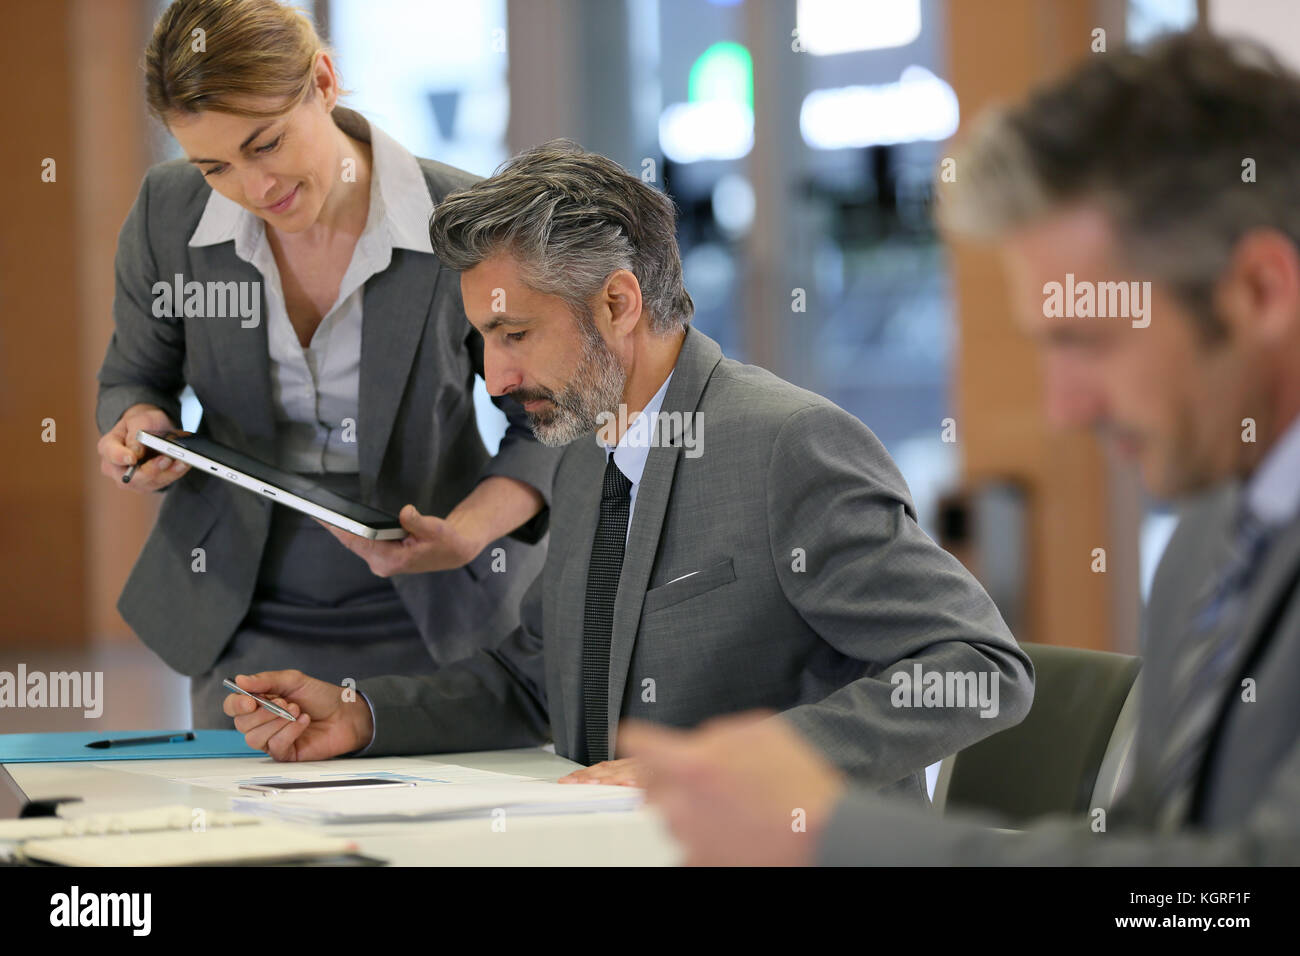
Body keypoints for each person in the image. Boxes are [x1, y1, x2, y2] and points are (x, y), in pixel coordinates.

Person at [622, 32, 1300, 865]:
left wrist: (832, 834)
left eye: (1089, 341)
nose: (1064, 405)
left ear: (1259, 292)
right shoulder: (1209, 544)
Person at [223, 140, 1034, 797]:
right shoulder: (583, 450)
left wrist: (734, 769)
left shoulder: (790, 445)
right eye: (483, 342)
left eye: (515, 335)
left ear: (617, 303)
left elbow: (979, 668)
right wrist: (360, 714)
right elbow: (539, 681)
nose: (496, 379)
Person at [95, 0, 561, 726]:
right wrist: (137, 426)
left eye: (267, 144)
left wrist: (467, 531)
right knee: (248, 832)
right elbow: (135, 374)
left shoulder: (465, 218)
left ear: (324, 78)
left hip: (438, 607)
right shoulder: (170, 211)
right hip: (237, 606)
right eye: (214, 165)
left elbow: (546, 419)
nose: (254, 188)